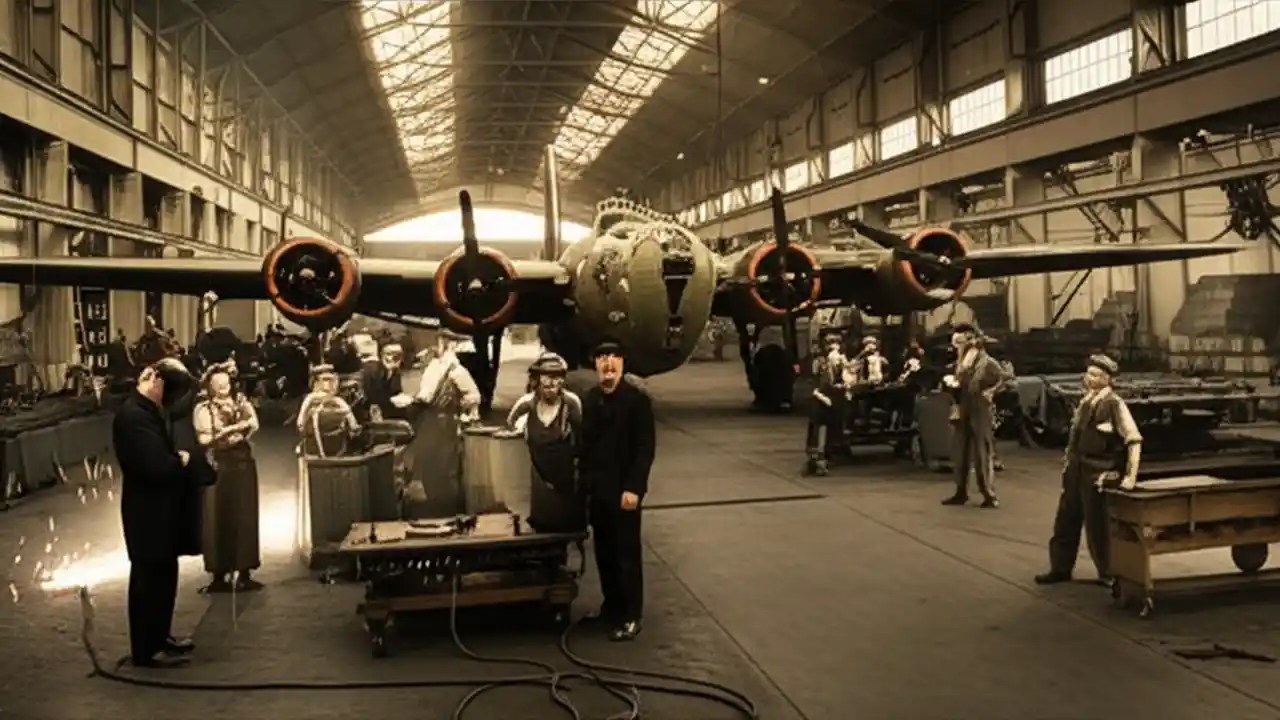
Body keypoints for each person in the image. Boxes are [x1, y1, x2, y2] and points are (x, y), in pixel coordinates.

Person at [115, 359, 197, 668]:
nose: (166, 400)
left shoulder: (146, 411)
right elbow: (154, 465)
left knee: (164, 577)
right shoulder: (134, 417)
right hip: (146, 515)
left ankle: (160, 636)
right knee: (149, 582)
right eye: (166, 391)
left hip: (158, 512)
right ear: (155, 382)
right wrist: (180, 461)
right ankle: (146, 650)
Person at [1035, 354, 1143, 586]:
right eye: (1089, 373)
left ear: (1108, 379)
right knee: (1066, 519)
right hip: (1076, 470)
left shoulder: (1114, 404)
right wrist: (1067, 464)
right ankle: (1060, 568)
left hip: (1098, 472)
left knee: (1098, 525)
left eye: (1096, 375)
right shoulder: (1085, 402)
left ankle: (1108, 572)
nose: (1090, 378)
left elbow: (1133, 440)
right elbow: (1075, 438)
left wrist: (1129, 477)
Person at [580, 340, 655, 642]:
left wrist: (635, 488)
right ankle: (611, 607)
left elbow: (644, 449)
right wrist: (584, 486)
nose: (608, 364)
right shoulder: (590, 399)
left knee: (627, 556)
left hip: (624, 492)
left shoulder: (637, 402)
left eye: (613, 358)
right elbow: (584, 447)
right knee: (605, 554)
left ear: (623, 364)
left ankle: (631, 615)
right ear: (595, 365)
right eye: (602, 358)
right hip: (599, 492)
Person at [193, 366, 262, 593]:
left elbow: (254, 423)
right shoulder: (203, 409)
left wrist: (242, 428)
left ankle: (244, 572)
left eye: (226, 384)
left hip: (242, 464)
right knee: (217, 517)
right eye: (218, 385)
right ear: (210, 387)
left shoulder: (241, 403)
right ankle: (218, 575)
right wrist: (231, 430)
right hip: (218, 467)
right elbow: (204, 439)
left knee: (245, 516)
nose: (224, 389)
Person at [507, 352, 585, 532]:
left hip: (563, 479)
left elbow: (581, 438)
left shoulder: (571, 404)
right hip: (536, 478)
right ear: (537, 379)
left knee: (561, 527)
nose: (551, 383)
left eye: (557, 377)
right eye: (546, 376)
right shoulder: (527, 403)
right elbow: (510, 427)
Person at [407, 328, 481, 516]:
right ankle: (433, 505)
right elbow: (426, 392)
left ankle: (447, 508)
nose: (440, 344)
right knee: (428, 463)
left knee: (445, 466)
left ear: (452, 345)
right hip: (428, 420)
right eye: (440, 340)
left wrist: (458, 405)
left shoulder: (456, 370)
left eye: (445, 341)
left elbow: (474, 396)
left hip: (445, 422)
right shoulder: (433, 366)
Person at [941, 323, 1004, 509]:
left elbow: (1005, 379)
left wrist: (991, 392)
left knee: (981, 452)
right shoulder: (962, 360)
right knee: (960, 451)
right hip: (963, 405)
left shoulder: (987, 362)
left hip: (980, 408)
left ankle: (989, 494)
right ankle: (961, 491)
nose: (957, 345)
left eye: (961, 340)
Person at [806, 331, 848, 476]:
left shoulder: (838, 361)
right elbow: (818, 382)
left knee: (830, 426)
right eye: (831, 344)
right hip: (821, 398)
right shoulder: (820, 362)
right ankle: (819, 457)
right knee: (820, 427)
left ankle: (826, 453)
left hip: (831, 399)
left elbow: (842, 377)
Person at [360, 343, 405, 422]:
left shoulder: (396, 371)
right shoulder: (371, 370)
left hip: (389, 407)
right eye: (389, 354)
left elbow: (397, 392)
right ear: (381, 355)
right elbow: (369, 396)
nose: (393, 357)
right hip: (371, 409)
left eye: (398, 355)